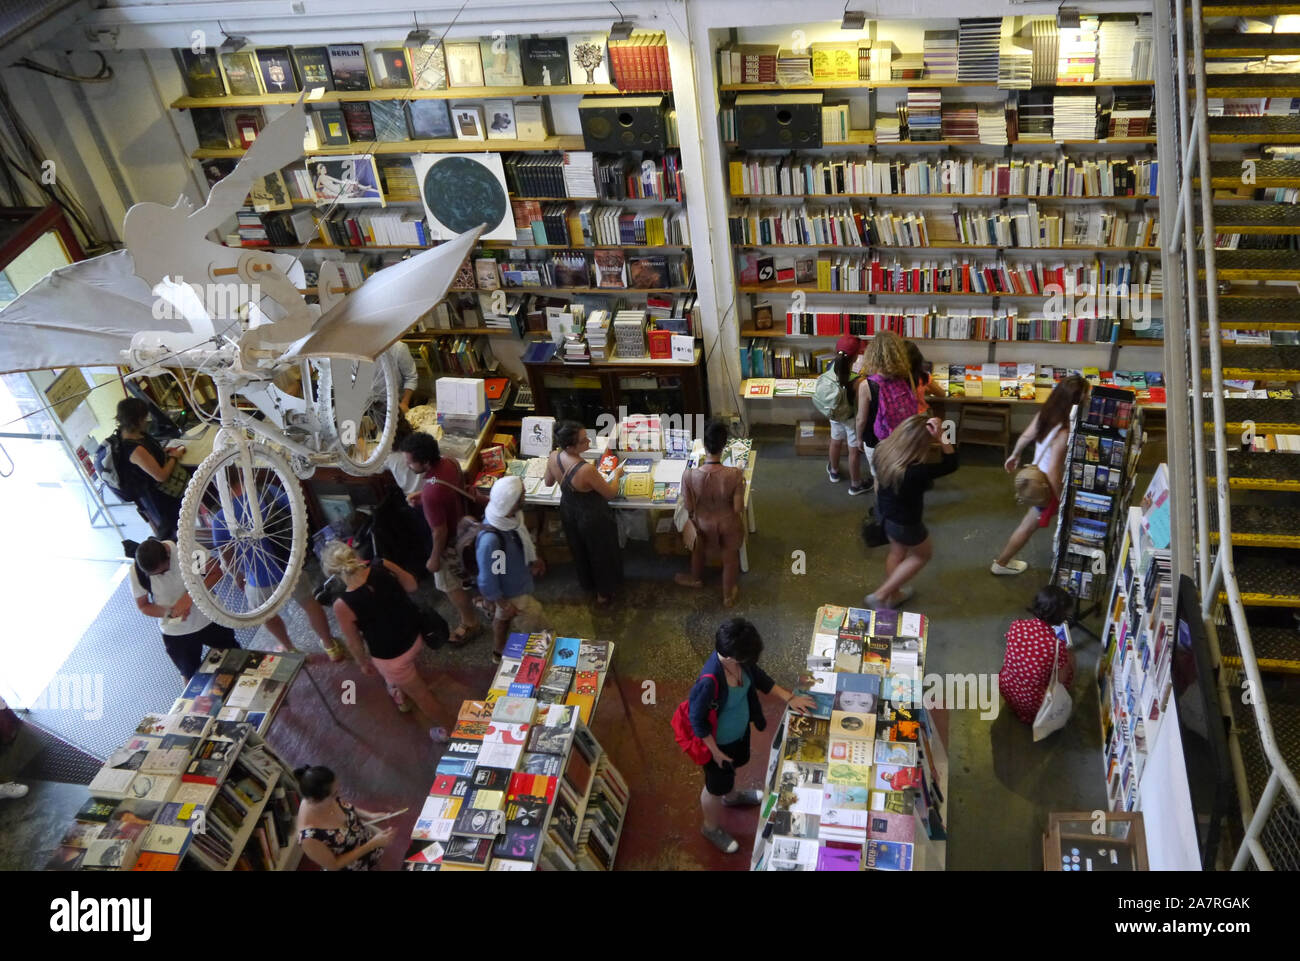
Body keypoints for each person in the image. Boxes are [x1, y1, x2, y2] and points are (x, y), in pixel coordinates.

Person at [690, 618, 817, 854]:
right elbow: (696, 721)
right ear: (728, 656)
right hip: (718, 745)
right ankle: (710, 827)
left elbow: (759, 677)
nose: (750, 663)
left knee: (733, 770)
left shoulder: (741, 661)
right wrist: (715, 752)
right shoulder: (709, 682)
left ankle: (732, 795)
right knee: (714, 788)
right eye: (745, 659)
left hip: (738, 734)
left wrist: (790, 698)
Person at [210, 471, 346, 661]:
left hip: (257, 579)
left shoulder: (219, 520)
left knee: (266, 616)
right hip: (289, 568)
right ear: (241, 473)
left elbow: (227, 556)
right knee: (309, 603)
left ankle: (291, 650)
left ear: (217, 487)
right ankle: (331, 646)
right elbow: (298, 514)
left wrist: (237, 576)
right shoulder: (268, 492)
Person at [322, 541, 449, 741]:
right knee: (405, 678)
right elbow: (412, 585)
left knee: (422, 696)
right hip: (415, 633)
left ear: (332, 573)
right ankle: (398, 688)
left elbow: (354, 642)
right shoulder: (382, 565)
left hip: (391, 656)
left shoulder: (342, 605)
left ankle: (451, 730)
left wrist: (362, 663)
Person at [991, 375, 1089, 575]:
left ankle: (1003, 562)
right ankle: (1001, 563)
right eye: (1086, 396)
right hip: (1047, 486)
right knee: (1028, 526)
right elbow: (1054, 469)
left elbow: (1027, 435)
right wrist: (1061, 498)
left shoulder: (1046, 413)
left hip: (1037, 476)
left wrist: (1015, 454)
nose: (1088, 399)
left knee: (1032, 524)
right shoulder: (1064, 432)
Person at [865, 415, 958, 609]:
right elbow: (951, 464)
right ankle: (881, 595)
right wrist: (942, 436)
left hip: (885, 513)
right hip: (906, 522)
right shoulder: (915, 471)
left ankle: (894, 595)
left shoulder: (883, 450)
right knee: (922, 555)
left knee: (897, 553)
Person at [401, 432, 482, 644]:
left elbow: (439, 532)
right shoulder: (450, 462)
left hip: (451, 543)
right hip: (467, 529)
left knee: (450, 585)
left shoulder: (431, 493)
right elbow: (452, 489)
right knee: (467, 574)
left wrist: (434, 558)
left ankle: (470, 623)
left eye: (410, 462)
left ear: (425, 462)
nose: (407, 465)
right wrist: (425, 496)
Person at [129, 537, 240, 682]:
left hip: (209, 618)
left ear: (168, 555)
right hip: (176, 633)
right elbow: (144, 606)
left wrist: (189, 597)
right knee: (189, 674)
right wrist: (169, 612)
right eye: (155, 575)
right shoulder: (136, 571)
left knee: (235, 657)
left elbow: (215, 573)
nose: (161, 575)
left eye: (163, 571)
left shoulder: (187, 549)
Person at [542, 421, 624, 605]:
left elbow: (548, 482)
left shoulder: (553, 456)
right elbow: (610, 493)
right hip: (591, 515)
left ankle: (588, 584)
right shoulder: (586, 469)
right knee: (600, 553)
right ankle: (604, 594)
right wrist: (617, 475)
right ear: (571, 446)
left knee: (579, 550)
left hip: (568, 510)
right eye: (583, 440)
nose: (588, 441)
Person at [675, 418, 747, 607]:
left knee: (697, 551)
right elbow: (738, 508)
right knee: (730, 559)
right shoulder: (735, 475)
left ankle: (695, 578)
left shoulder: (689, 475)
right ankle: (727, 596)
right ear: (724, 445)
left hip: (702, 524)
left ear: (704, 444)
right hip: (728, 523)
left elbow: (689, 507)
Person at [476, 475, 550, 660]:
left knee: (502, 619)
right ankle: (545, 652)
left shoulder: (512, 519)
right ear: (512, 503)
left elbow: (521, 541)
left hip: (518, 580)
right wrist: (502, 602)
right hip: (512, 592)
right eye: (522, 494)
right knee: (538, 623)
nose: (525, 495)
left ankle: (498, 651)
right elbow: (491, 577)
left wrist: (533, 559)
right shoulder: (493, 540)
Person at [294, 765, 394, 871]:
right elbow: (334, 865)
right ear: (314, 800)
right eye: (334, 794)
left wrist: (370, 816)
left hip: (368, 847)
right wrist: (372, 844)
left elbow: (347, 807)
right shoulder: (308, 838)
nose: (338, 795)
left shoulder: (326, 797)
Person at [1000, 585, 1075, 724]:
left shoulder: (1016, 625)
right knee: (1068, 664)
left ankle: (1017, 708)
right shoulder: (1057, 645)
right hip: (1034, 704)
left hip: (1007, 689)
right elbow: (1061, 679)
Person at [115, 397, 187, 541]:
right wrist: (174, 457)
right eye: (144, 417)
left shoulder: (135, 434)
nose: (147, 421)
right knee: (173, 531)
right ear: (137, 420)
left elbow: (151, 455)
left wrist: (164, 452)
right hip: (159, 498)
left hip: (161, 494)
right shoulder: (133, 449)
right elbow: (161, 476)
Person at [824, 334, 873, 495]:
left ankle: (834, 471)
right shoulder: (857, 381)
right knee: (853, 450)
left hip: (834, 412)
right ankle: (855, 484)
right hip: (850, 417)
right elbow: (860, 401)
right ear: (855, 357)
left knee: (835, 441)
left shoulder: (830, 365)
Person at [862, 330, 918, 444]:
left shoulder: (867, 384)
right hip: (903, 434)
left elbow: (861, 419)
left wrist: (858, 438)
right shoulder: (906, 375)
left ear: (872, 354)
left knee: (877, 462)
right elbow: (914, 399)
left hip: (877, 439)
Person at [905, 340, 945, 416]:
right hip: (919, 415)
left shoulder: (893, 378)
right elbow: (942, 393)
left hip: (901, 420)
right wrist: (924, 389)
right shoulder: (923, 377)